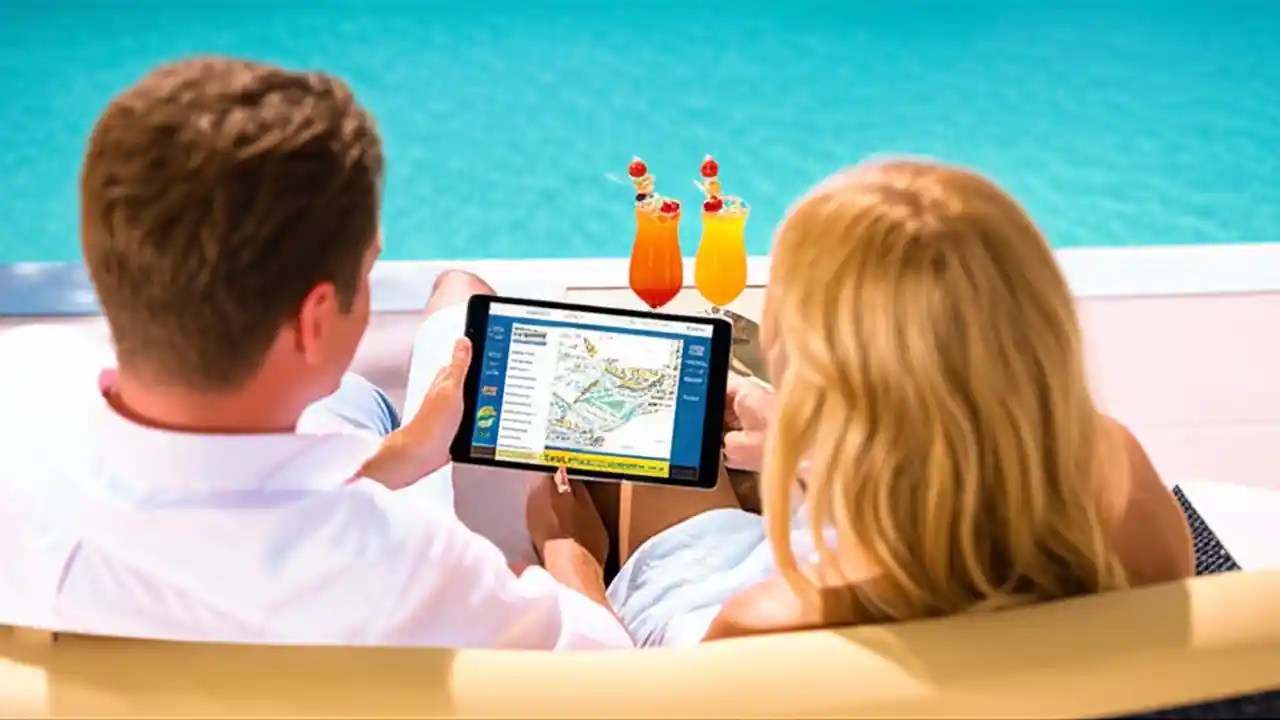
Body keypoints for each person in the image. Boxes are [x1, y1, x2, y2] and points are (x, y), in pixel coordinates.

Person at [0, 56, 626, 649]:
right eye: (368, 269)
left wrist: (399, 458)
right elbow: (609, 672)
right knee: (455, 304)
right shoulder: (403, 567)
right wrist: (573, 556)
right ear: (315, 318)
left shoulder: (23, 387)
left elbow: (201, 499)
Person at [601, 160, 1195, 647]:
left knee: (657, 414)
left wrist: (571, 559)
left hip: (697, 629)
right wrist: (811, 448)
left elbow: (636, 693)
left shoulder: (769, 623)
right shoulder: (1117, 475)